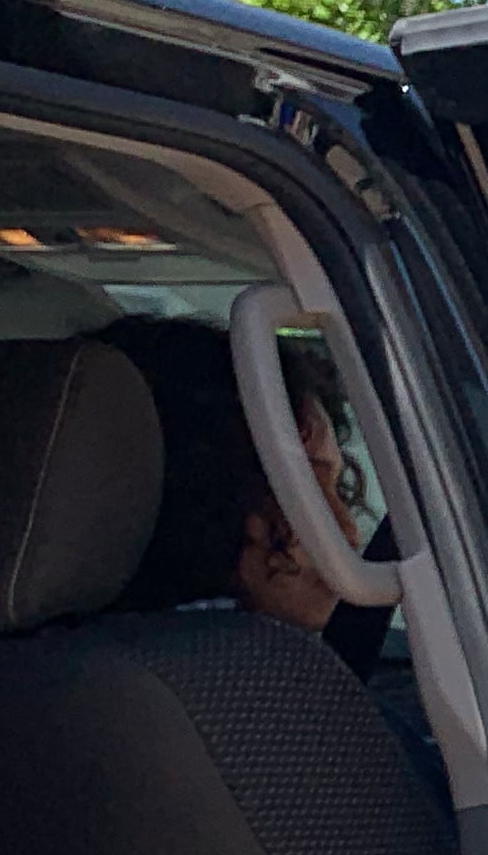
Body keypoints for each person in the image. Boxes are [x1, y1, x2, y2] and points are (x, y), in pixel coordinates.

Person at [99, 315, 442, 788]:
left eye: (338, 492)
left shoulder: (11, 681)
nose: (347, 534)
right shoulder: (267, 699)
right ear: (224, 495)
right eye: (312, 488)